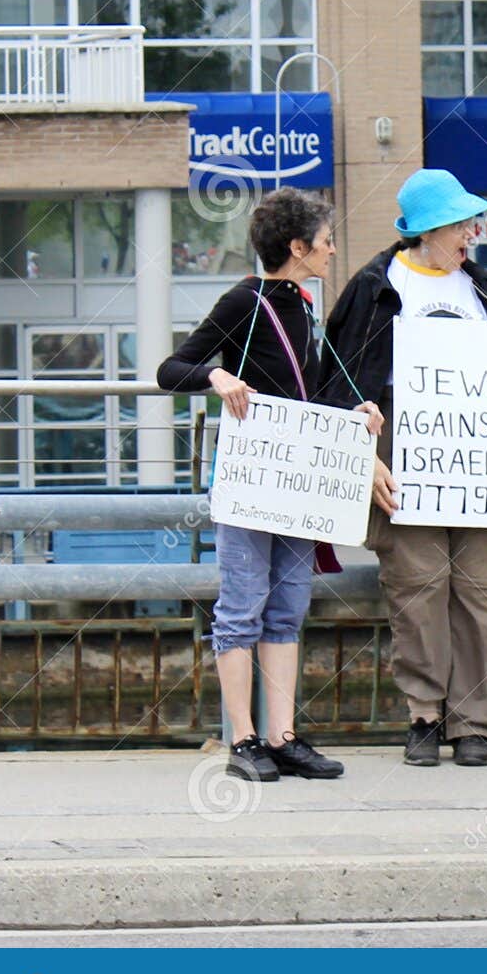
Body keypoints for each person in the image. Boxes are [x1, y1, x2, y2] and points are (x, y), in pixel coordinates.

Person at [315, 168, 487, 769]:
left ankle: (474, 724)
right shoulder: (375, 286)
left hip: (481, 456)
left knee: (479, 593)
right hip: (400, 455)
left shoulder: (483, 289)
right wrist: (361, 457)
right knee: (416, 590)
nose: (472, 232)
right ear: (431, 229)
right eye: (462, 223)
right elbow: (336, 380)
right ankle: (424, 716)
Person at [158, 188, 383, 783]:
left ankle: (282, 737)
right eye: (327, 241)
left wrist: (358, 412)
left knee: (286, 608)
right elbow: (171, 369)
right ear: (298, 247)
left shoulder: (305, 307)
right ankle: (244, 739)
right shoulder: (244, 301)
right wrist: (216, 375)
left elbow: (316, 386)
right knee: (241, 607)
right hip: (251, 479)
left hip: (299, 480)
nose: (333, 250)